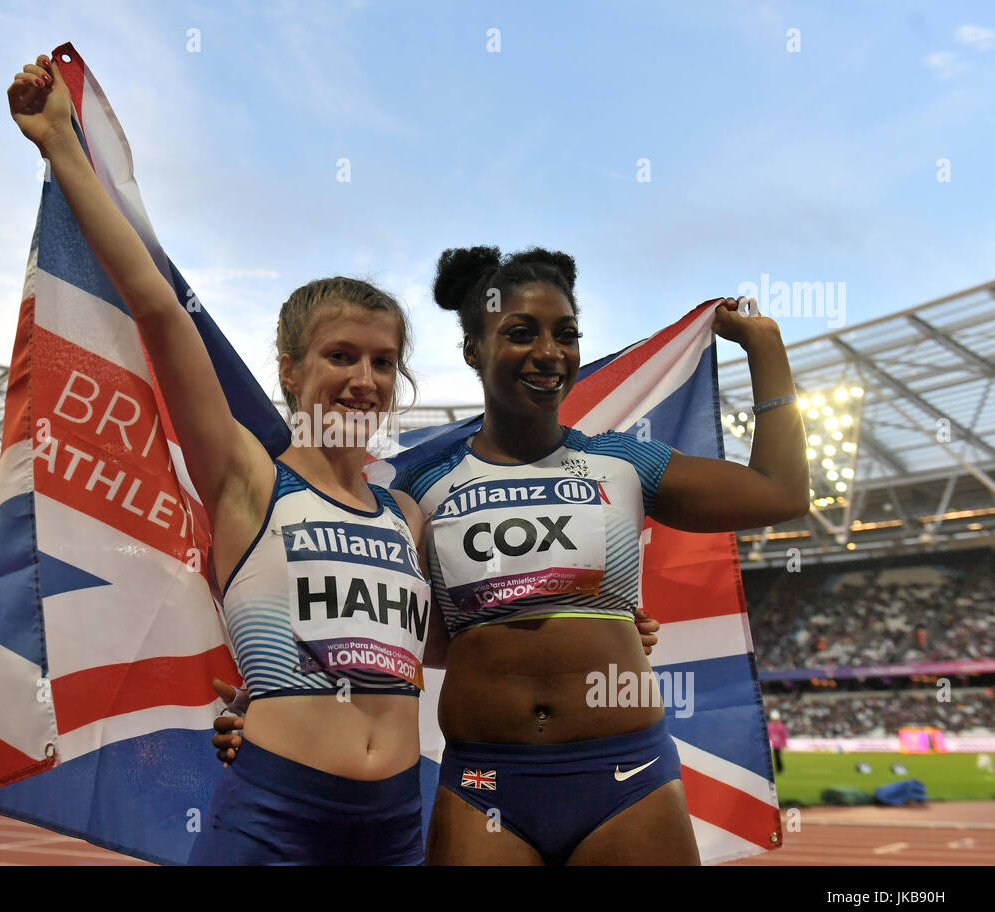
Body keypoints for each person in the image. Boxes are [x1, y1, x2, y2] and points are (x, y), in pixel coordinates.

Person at [221, 247, 808, 865]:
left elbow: (781, 490)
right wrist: (272, 708)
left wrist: (765, 346)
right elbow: (386, 627)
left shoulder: (625, 462)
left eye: (566, 334)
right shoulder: (413, 490)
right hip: (484, 785)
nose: (548, 352)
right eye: (521, 333)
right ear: (473, 348)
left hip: (626, 775)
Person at [9, 54, 435, 864]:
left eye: (383, 362)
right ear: (290, 369)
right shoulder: (247, 475)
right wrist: (61, 146)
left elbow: (449, 647)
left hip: (394, 829)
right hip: (274, 816)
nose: (364, 379)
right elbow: (162, 312)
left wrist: (599, 617)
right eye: (341, 355)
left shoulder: (407, 515)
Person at [767, 709, 788, 774]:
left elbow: (784, 735)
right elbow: (768, 734)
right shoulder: (770, 725)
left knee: (777, 756)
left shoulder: (781, 726)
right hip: (772, 744)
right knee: (775, 757)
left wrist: (784, 743)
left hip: (778, 744)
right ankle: (778, 769)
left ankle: (780, 769)